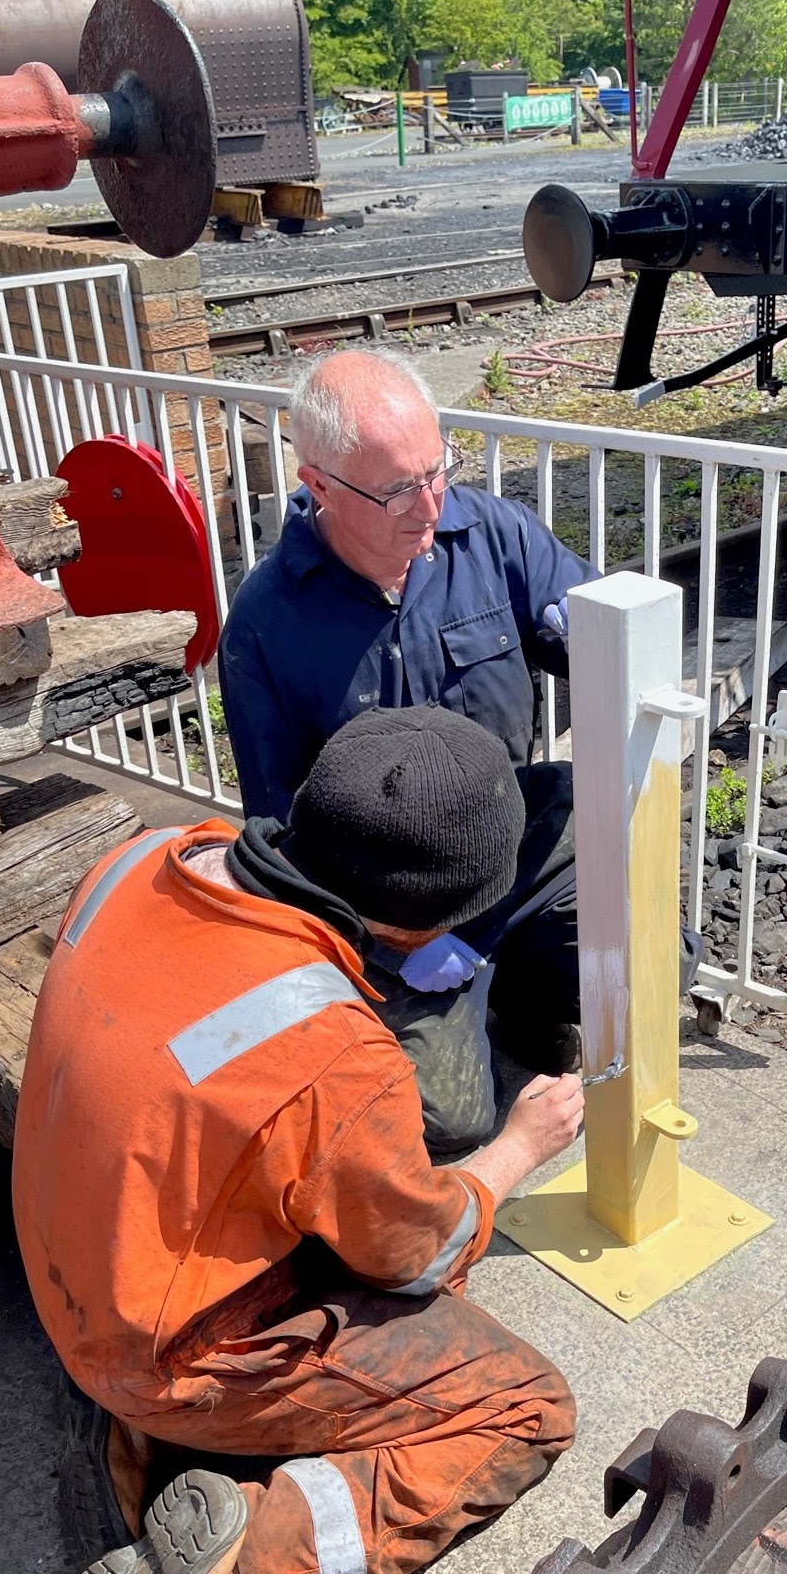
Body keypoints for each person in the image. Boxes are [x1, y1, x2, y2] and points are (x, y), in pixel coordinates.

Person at [13, 708, 583, 1574]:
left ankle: (144, 1448)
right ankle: (242, 1561)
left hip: (76, 1259)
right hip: (165, 1346)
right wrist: (511, 1154)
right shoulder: (330, 1047)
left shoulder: (145, 856)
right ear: (427, 926)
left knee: (286, 1206)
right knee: (525, 1409)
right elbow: (417, 1252)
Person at [217, 349, 602, 1152]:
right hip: (389, 917)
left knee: (639, 957)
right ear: (319, 485)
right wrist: (394, 942)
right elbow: (278, 833)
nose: (429, 506)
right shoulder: (264, 626)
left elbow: (593, 619)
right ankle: (454, 1020)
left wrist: (600, 633)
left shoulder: (490, 532)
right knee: (449, 1121)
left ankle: (510, 997)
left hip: (499, 846)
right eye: (396, 489)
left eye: (438, 469)